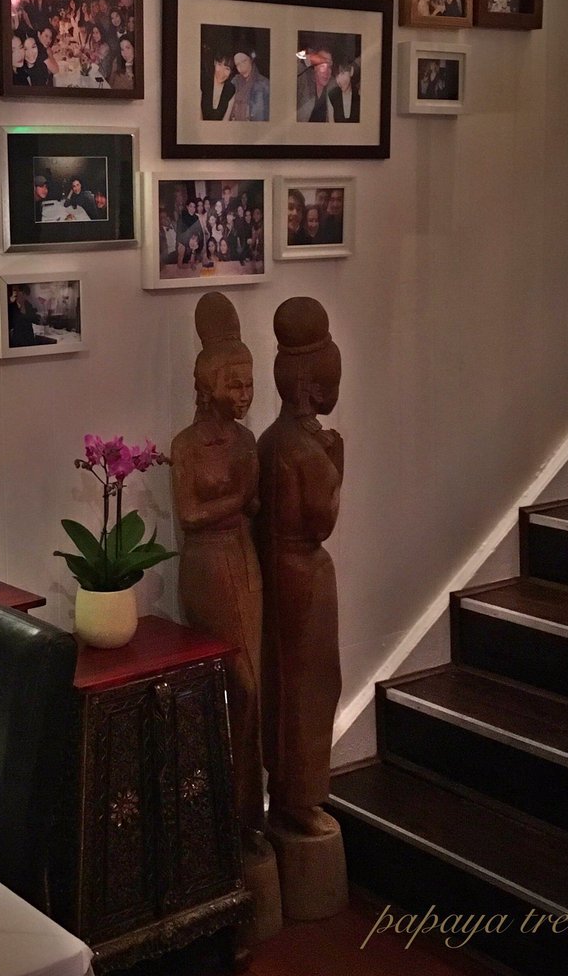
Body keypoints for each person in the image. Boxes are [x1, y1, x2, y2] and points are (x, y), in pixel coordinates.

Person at [171, 293, 267, 852]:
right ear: (209, 386)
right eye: (236, 385)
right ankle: (217, 816)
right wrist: (238, 498)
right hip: (206, 566)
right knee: (231, 682)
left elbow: (254, 506)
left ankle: (248, 815)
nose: (245, 395)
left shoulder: (247, 441)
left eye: (249, 384)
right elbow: (189, 514)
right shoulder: (186, 445)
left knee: (253, 684)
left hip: (243, 558)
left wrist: (242, 502)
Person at [256, 298, 344, 841]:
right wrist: (338, 459)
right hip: (304, 571)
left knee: (290, 680)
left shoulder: (272, 439)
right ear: (311, 386)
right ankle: (300, 795)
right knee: (310, 684)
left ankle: (288, 785)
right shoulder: (307, 450)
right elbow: (322, 521)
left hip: (280, 569)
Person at [227, 50, 269, 122]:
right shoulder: (234, 82)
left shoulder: (264, 84)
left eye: (244, 61)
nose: (241, 67)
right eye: (238, 64)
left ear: (251, 60)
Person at [297, 48, 334, 123]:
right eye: (322, 65)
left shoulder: (332, 85)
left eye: (329, 67)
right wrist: (309, 58)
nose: (326, 71)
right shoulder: (304, 79)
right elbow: (287, 65)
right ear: (314, 67)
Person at [202, 50, 235, 120]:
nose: (221, 72)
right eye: (219, 65)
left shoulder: (231, 90)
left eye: (227, 69)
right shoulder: (202, 82)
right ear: (215, 63)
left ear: (231, 72)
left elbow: (225, 120)